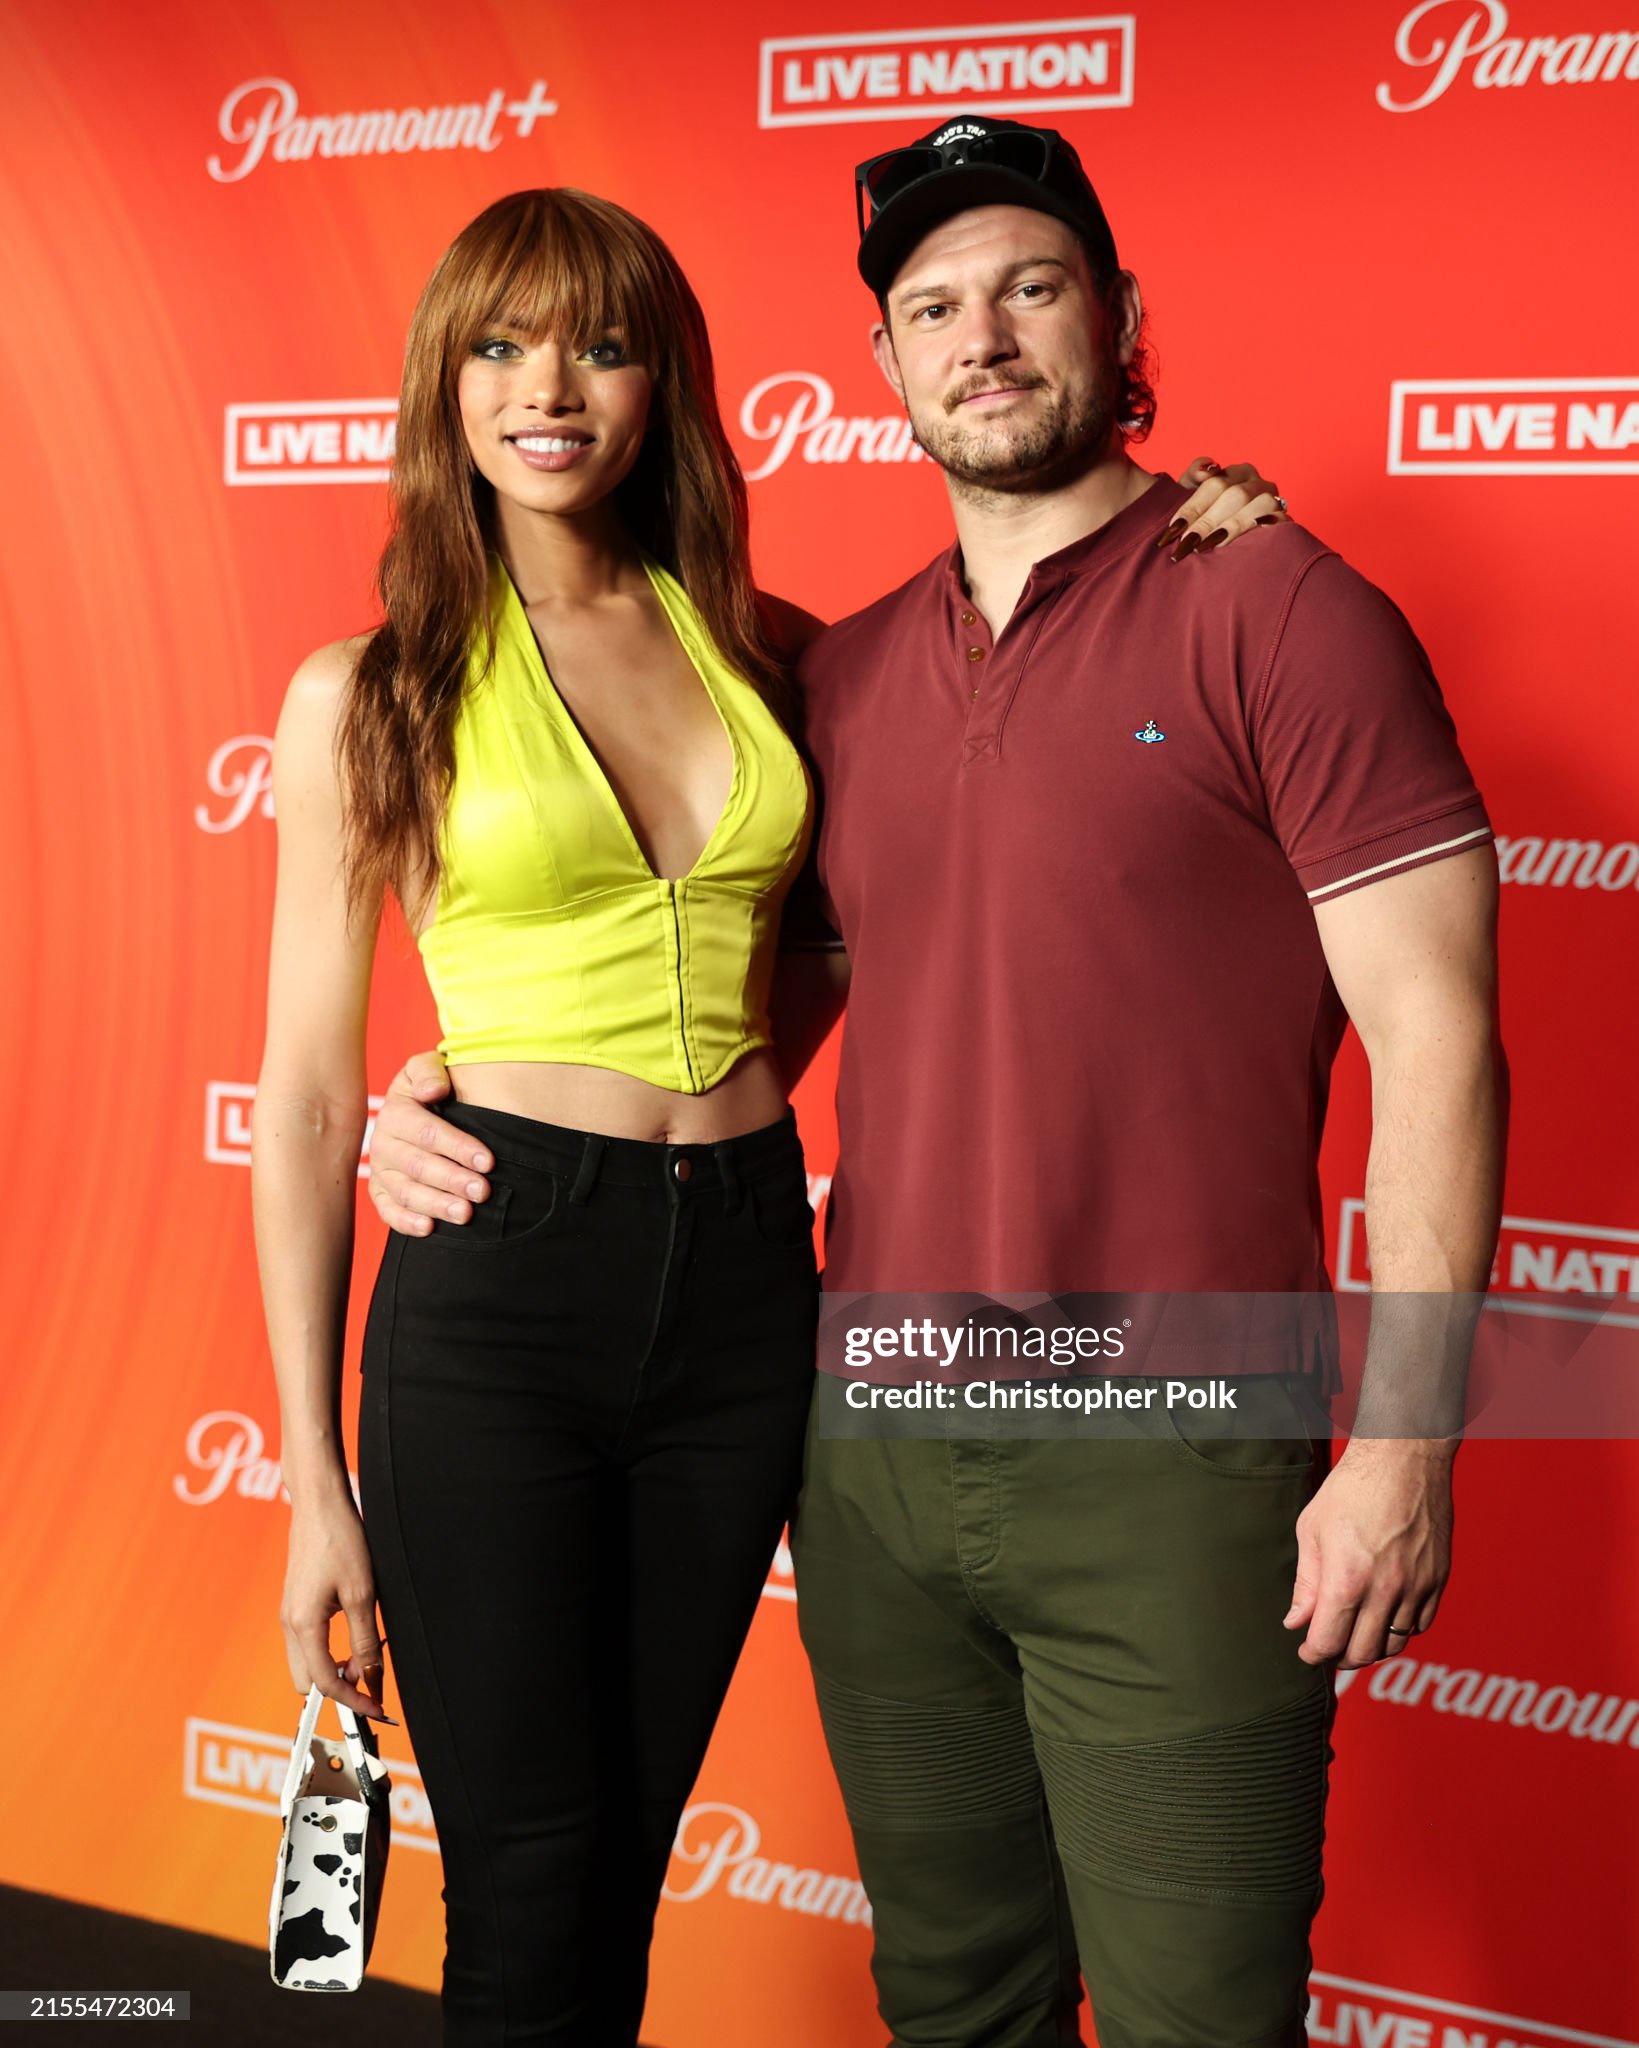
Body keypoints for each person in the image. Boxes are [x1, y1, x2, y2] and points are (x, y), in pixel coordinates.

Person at [255, 177, 1285, 2045]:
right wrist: (314, 1486)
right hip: (498, 1286)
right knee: (525, 1885)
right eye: (499, 343)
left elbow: (841, 925)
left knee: (625, 1854)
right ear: (443, 384)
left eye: (603, 342)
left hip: (745, 1283)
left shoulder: (771, 648)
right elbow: (316, 1090)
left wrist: (1206, 511)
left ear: (666, 385)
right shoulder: (369, 691)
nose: (547, 385)